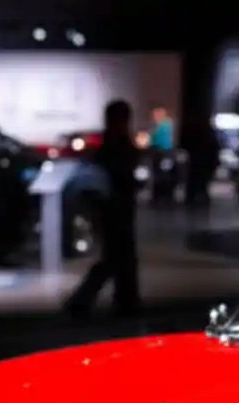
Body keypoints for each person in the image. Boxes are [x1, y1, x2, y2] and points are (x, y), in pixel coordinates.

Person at [64, 99, 142, 319]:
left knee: (118, 257)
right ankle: (88, 301)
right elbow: (120, 175)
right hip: (116, 208)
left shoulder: (109, 144)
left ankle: (123, 300)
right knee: (117, 257)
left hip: (114, 207)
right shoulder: (116, 144)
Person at [148, 105, 177, 203]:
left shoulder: (165, 123)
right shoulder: (158, 125)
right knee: (158, 173)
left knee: (164, 173)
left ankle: (164, 194)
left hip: (165, 151)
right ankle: (159, 195)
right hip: (158, 151)